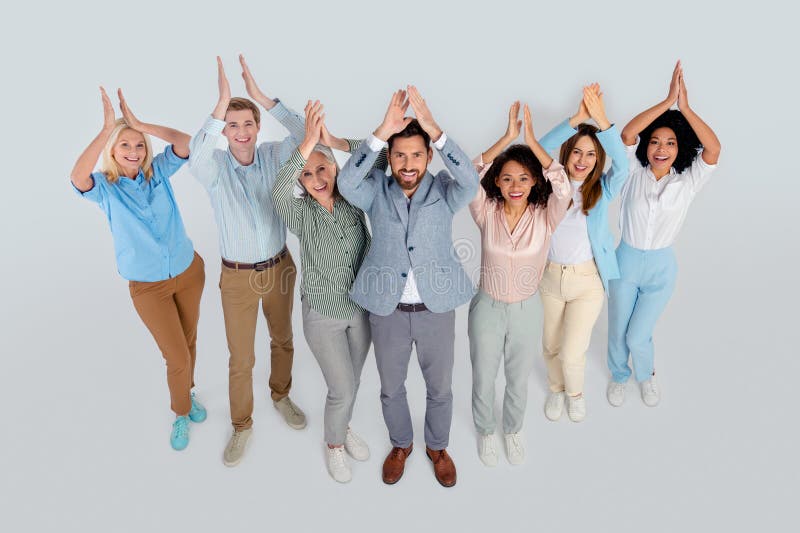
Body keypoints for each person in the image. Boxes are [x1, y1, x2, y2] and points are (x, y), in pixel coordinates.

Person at [337, 87, 478, 487]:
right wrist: (381, 132)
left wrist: (435, 129)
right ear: (391, 158)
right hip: (388, 310)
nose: (408, 163)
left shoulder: (445, 191)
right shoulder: (375, 190)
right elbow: (347, 182)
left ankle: (438, 446)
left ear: (429, 155)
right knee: (391, 387)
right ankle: (401, 444)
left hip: (436, 308)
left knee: (441, 388)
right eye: (399, 155)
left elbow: (470, 180)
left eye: (417, 154)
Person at [70, 88, 206, 451]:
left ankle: (188, 393)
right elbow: (77, 176)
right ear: (112, 151)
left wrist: (141, 124)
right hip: (149, 287)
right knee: (175, 355)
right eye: (124, 146)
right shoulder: (105, 189)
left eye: (139, 145)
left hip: (189, 271)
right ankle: (181, 411)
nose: (133, 152)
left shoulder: (158, 171)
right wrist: (105, 130)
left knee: (189, 341)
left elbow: (187, 143)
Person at [189, 55, 307, 467]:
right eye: (232, 125)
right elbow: (195, 153)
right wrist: (221, 103)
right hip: (237, 278)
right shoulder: (214, 166)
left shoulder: (276, 156)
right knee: (241, 358)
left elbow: (310, 134)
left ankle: (281, 394)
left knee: (283, 339)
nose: (240, 132)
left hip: (278, 267)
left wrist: (262, 98)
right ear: (224, 130)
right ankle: (242, 425)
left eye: (247, 123)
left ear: (258, 128)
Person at [272, 101, 385, 483]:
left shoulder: (355, 198)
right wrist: (306, 144)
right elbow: (277, 193)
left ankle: (343, 426)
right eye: (307, 174)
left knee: (352, 382)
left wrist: (332, 140)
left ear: (335, 168)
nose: (316, 177)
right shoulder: (300, 214)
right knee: (341, 387)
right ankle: (334, 445)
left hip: (361, 310)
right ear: (300, 182)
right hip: (323, 315)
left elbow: (382, 158)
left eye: (322, 168)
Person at [607, 61, 721, 407]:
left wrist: (684, 108)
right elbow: (627, 135)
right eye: (655, 141)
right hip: (625, 260)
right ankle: (618, 375)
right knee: (617, 329)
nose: (660, 148)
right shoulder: (631, 172)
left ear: (680, 148)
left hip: (661, 268)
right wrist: (666, 100)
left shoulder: (687, 181)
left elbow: (713, 150)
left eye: (670, 142)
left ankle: (646, 375)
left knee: (638, 335)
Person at [469, 102, 572, 466]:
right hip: (487, 307)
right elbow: (468, 172)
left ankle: (512, 429)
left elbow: (563, 186)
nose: (515, 186)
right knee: (483, 376)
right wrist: (509, 138)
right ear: (496, 180)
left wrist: (530, 140)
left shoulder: (546, 217)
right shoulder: (485, 211)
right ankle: (485, 429)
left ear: (535, 182)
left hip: (528, 308)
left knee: (517, 378)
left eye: (524, 178)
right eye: (508, 178)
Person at [536, 85, 628, 422]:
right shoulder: (549, 183)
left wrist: (602, 121)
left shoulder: (602, 190)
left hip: (587, 281)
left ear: (598, 159)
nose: (582, 160)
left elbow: (624, 168)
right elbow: (539, 149)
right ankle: (556, 389)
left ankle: (574, 394)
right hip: (549, 278)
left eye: (591, 154)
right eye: (577, 152)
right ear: (566, 153)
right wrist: (577, 118)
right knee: (550, 346)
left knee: (573, 351)